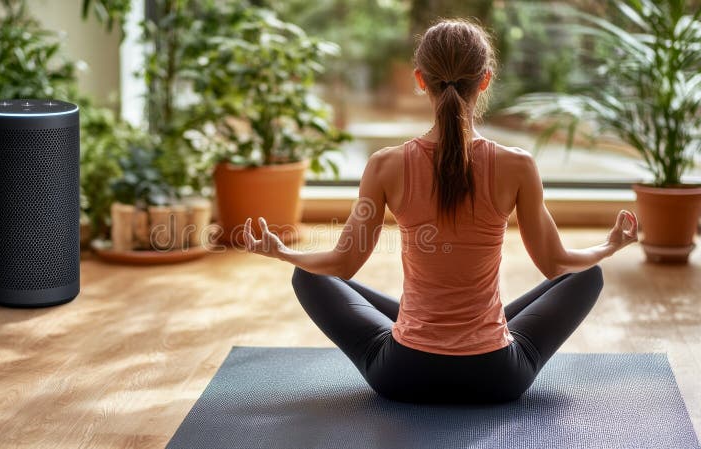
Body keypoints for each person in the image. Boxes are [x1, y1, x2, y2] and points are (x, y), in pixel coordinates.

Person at [242, 19, 638, 403]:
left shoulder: (385, 165)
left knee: (308, 276)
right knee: (588, 276)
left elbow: (341, 264)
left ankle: (423, 323)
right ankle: (461, 327)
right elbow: (558, 264)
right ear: (485, 80)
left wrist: (283, 252)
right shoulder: (517, 165)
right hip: (497, 377)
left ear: (420, 80)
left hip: (404, 374)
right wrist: (609, 245)